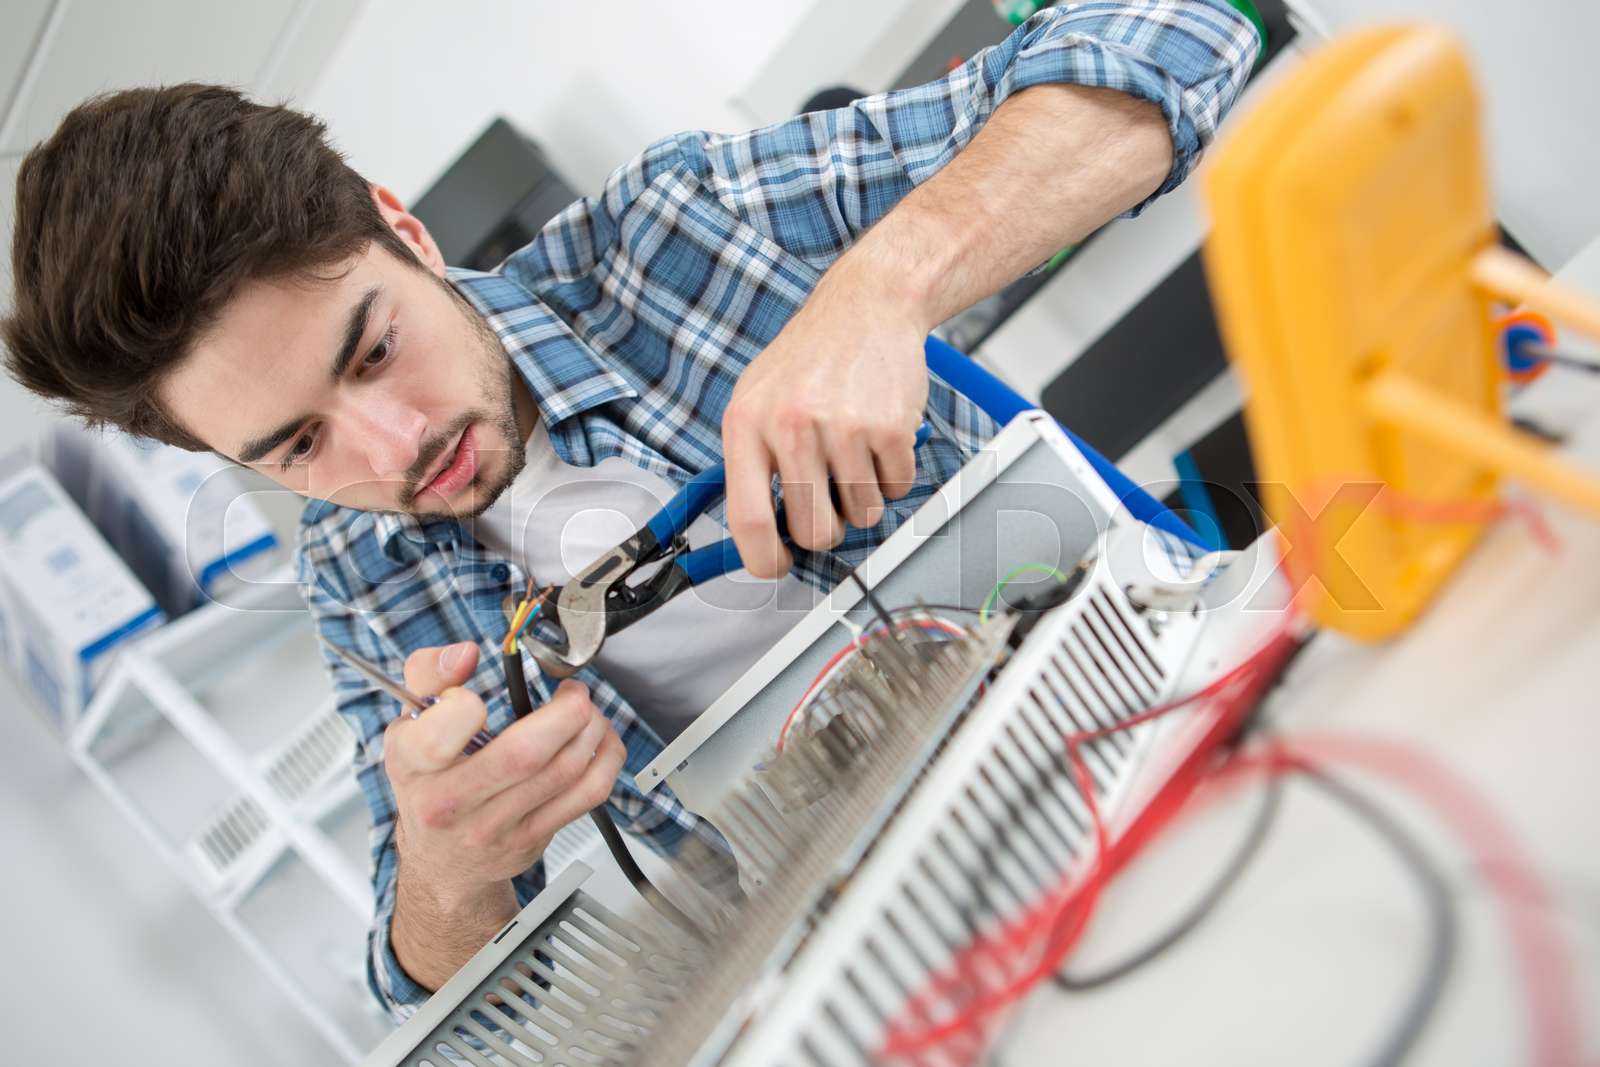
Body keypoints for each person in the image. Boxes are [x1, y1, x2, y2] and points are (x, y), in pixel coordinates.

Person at [2, 3, 1258, 1022]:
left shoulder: (676, 230)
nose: (396, 449)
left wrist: (882, 286)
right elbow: (436, 998)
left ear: (403, 229)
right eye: (296, 445)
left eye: (374, 351)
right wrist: (449, 867)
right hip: (915, 958)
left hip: (1175, 727)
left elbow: (1182, 32)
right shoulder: (359, 577)